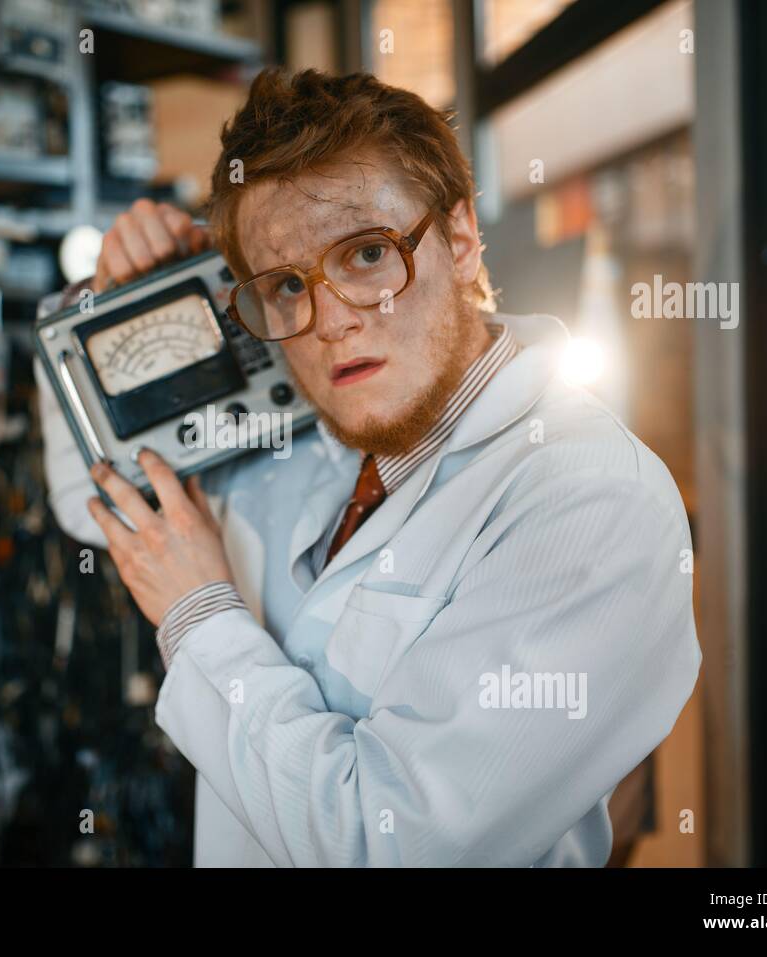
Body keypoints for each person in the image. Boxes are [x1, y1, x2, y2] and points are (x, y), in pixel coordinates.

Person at [37, 68, 701, 867]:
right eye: (286, 283)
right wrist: (111, 300)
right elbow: (96, 498)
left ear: (459, 240)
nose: (332, 323)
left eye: (367, 254)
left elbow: (390, 843)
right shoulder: (299, 435)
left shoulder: (592, 503)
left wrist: (199, 615)